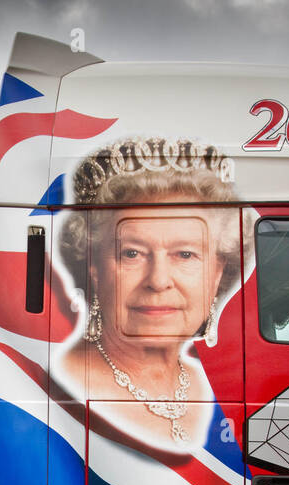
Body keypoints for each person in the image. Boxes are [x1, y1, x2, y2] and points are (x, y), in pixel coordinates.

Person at [53, 137, 244, 454]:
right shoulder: (66, 382)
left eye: (184, 254)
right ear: (94, 268)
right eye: (132, 253)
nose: (158, 281)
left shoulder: (208, 385)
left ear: (217, 274)